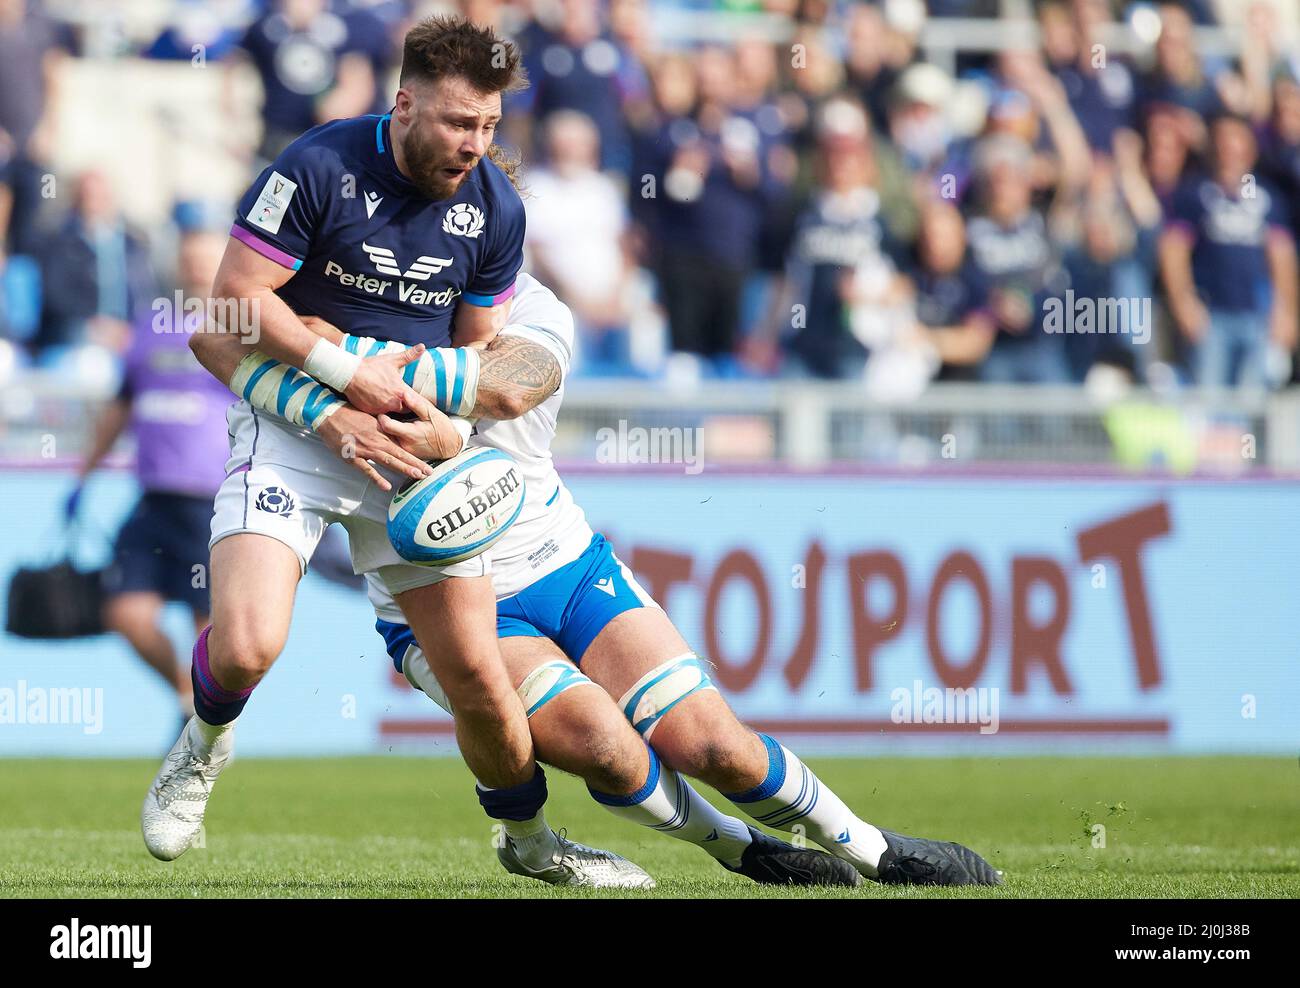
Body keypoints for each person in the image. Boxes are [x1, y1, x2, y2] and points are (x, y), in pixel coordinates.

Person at [140, 16, 643, 889]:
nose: (473, 145)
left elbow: (484, 361)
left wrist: (448, 432)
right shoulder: (318, 165)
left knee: (482, 683)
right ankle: (203, 745)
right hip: (297, 425)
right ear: (403, 102)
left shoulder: (495, 207)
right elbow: (228, 306)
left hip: (406, 452)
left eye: (487, 127)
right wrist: (339, 386)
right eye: (456, 123)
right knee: (247, 648)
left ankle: (530, 845)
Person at [327, 277, 1000, 888]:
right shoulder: (339, 316)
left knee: (712, 745)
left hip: (566, 564)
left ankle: (873, 849)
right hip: (440, 604)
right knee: (603, 746)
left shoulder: (532, 308)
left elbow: (508, 386)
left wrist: (384, 377)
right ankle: (740, 849)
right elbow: (252, 350)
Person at [69, 229, 233, 727]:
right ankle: (189, 700)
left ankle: (212, 731)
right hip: (153, 498)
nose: (198, 268)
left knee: (209, 627)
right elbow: (121, 405)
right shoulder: (150, 328)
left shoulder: (242, 328)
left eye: (208, 260)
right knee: (126, 614)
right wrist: (83, 476)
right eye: (191, 259)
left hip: (211, 497)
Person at [1159, 112, 1297, 389]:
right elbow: (1173, 247)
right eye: (1223, 139)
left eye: (1236, 139)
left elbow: (1281, 253)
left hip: (1258, 316)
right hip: (1212, 316)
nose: (1229, 148)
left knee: (1255, 401)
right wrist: (1183, 301)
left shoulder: (1267, 197)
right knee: (1210, 399)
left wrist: (1287, 311)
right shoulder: (1194, 193)